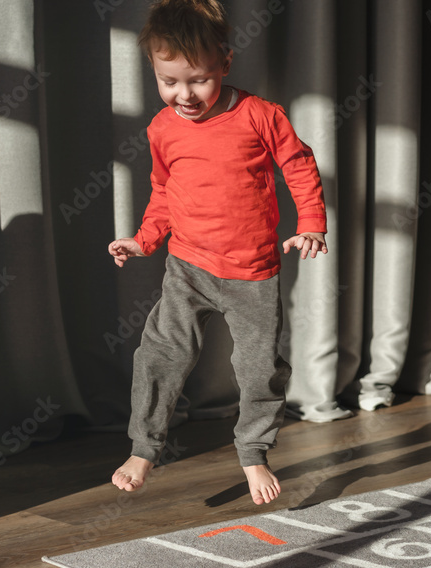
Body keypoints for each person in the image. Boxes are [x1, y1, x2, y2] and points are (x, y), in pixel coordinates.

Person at [108, 0, 327, 505]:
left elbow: (299, 165)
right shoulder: (162, 128)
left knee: (258, 369)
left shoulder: (260, 116)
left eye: (199, 80)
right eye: (168, 82)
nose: (184, 95)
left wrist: (312, 223)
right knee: (161, 354)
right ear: (154, 71)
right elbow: (163, 191)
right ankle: (144, 448)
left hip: (252, 273)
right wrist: (144, 239)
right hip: (188, 267)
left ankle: (253, 452)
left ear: (225, 63)